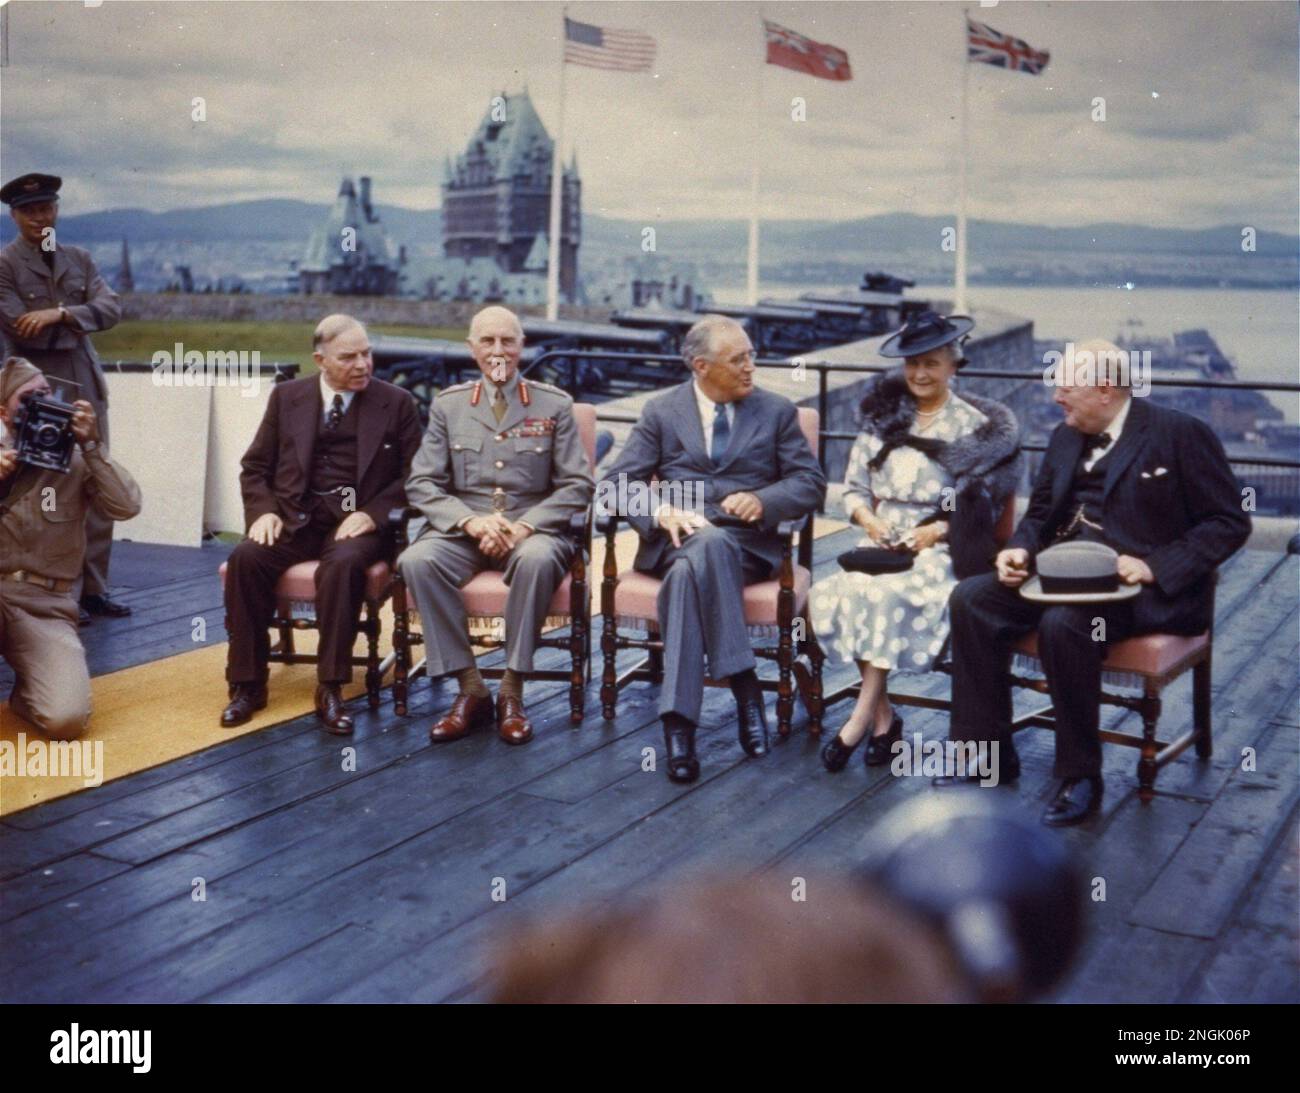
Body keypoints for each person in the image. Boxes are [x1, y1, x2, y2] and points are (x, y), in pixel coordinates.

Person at [944, 338, 1251, 824]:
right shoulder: (1067, 434)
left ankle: (1080, 775)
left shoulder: (1179, 434)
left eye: (1065, 388)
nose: (1056, 398)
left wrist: (1156, 566)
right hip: (1060, 574)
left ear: (1105, 390)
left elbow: (1229, 523)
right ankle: (988, 755)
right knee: (970, 598)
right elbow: (1041, 512)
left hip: (1139, 591)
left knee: (1065, 624)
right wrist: (1020, 548)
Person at [600, 315, 826, 783]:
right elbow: (616, 485)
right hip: (674, 538)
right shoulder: (662, 412)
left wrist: (764, 500)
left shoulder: (777, 411)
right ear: (701, 366)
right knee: (699, 551)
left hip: (746, 548)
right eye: (738, 359)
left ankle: (679, 726)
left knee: (693, 569)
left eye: (752, 355)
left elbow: (809, 484)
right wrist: (661, 513)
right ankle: (745, 684)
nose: (751, 367)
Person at [809, 311, 1020, 773]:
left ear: (953, 365)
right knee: (835, 593)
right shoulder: (882, 418)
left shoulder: (973, 427)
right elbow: (853, 489)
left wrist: (934, 531)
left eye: (931, 363)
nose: (920, 374)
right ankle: (885, 720)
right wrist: (869, 521)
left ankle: (859, 717)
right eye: (912, 364)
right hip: (884, 545)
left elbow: (979, 507)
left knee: (881, 596)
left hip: (943, 548)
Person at [398, 306, 594, 746]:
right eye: (487, 341)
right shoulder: (449, 406)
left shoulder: (554, 404)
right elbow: (422, 483)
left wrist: (524, 527)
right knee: (417, 560)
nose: (498, 351)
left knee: (538, 560)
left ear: (522, 347)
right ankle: (471, 689)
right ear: (472, 349)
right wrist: (468, 521)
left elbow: (577, 485)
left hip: (533, 530)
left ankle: (511, 690)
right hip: (466, 529)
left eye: (508, 341)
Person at [221, 315, 422, 734]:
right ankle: (247, 685)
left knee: (343, 566)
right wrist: (264, 513)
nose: (364, 364)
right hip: (294, 520)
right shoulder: (287, 397)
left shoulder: (396, 402)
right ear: (320, 360)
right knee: (246, 557)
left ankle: (330, 686)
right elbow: (254, 467)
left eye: (367, 353)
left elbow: (418, 476)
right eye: (349, 357)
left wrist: (374, 513)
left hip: (359, 525)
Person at [0, 173, 126, 623]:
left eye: (48, 208)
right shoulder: (5, 266)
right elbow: (19, 325)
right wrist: (78, 319)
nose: (41, 217)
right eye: (31, 211)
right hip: (37, 382)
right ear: (14, 215)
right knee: (45, 486)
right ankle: (58, 591)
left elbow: (111, 309)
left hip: (84, 381)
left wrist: (60, 312)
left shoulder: (79, 259)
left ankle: (94, 588)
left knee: (94, 474)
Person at [0, 356, 142, 739]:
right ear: (3, 410)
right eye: (28, 398)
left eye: (47, 394)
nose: (42, 403)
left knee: (66, 719)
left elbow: (126, 506)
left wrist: (93, 446)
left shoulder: (75, 459)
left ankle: (29, 694)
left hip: (44, 605)